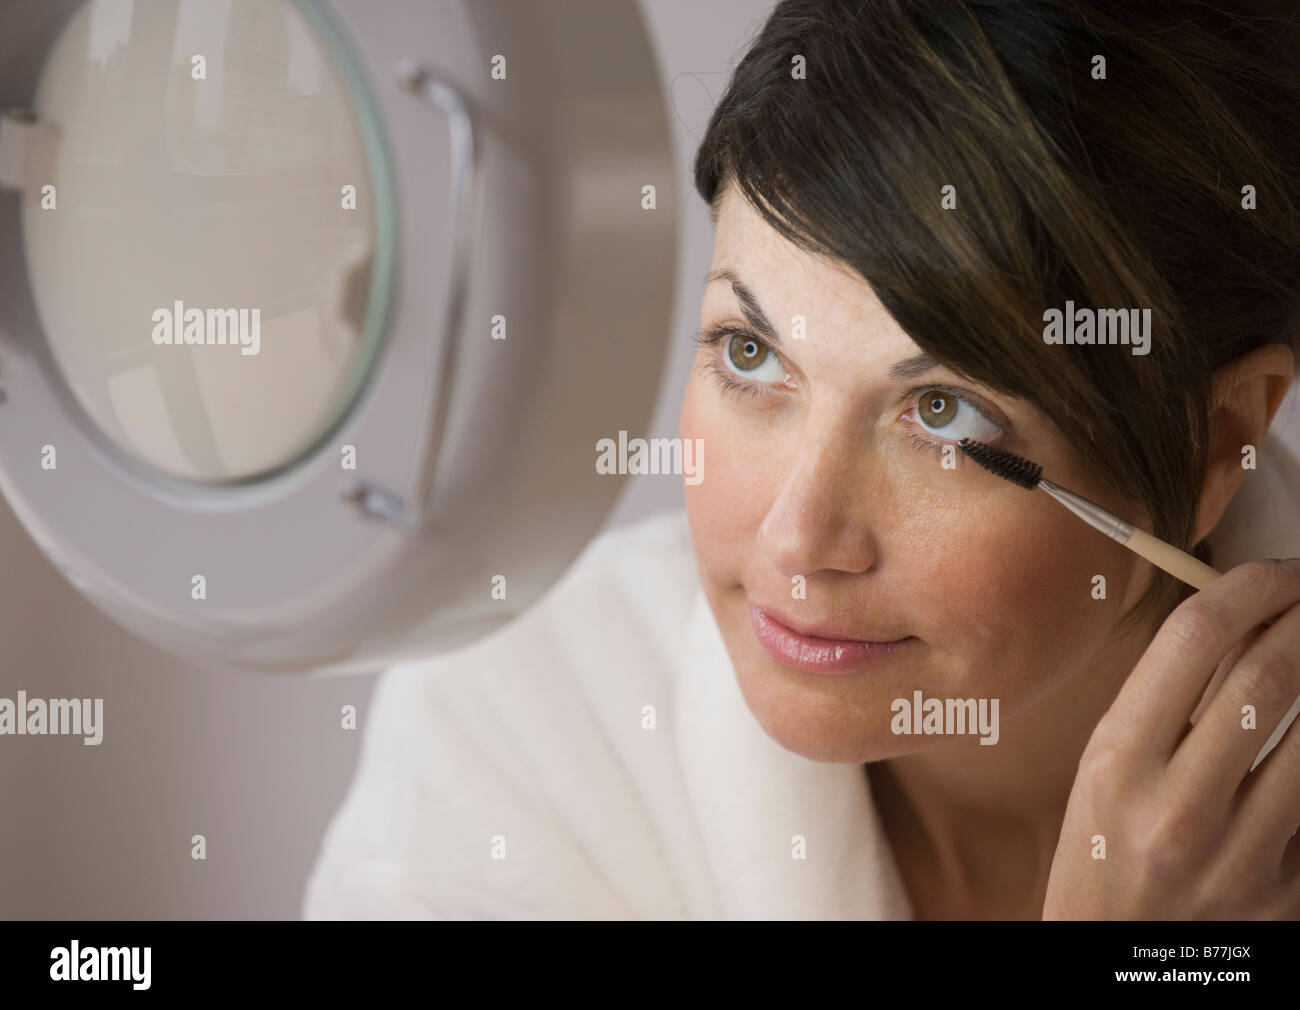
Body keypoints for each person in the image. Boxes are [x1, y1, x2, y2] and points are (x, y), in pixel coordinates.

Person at [303, 0, 1300, 919]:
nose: (796, 538)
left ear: (1216, 442)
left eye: (945, 413)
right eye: (750, 354)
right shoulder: (520, 719)